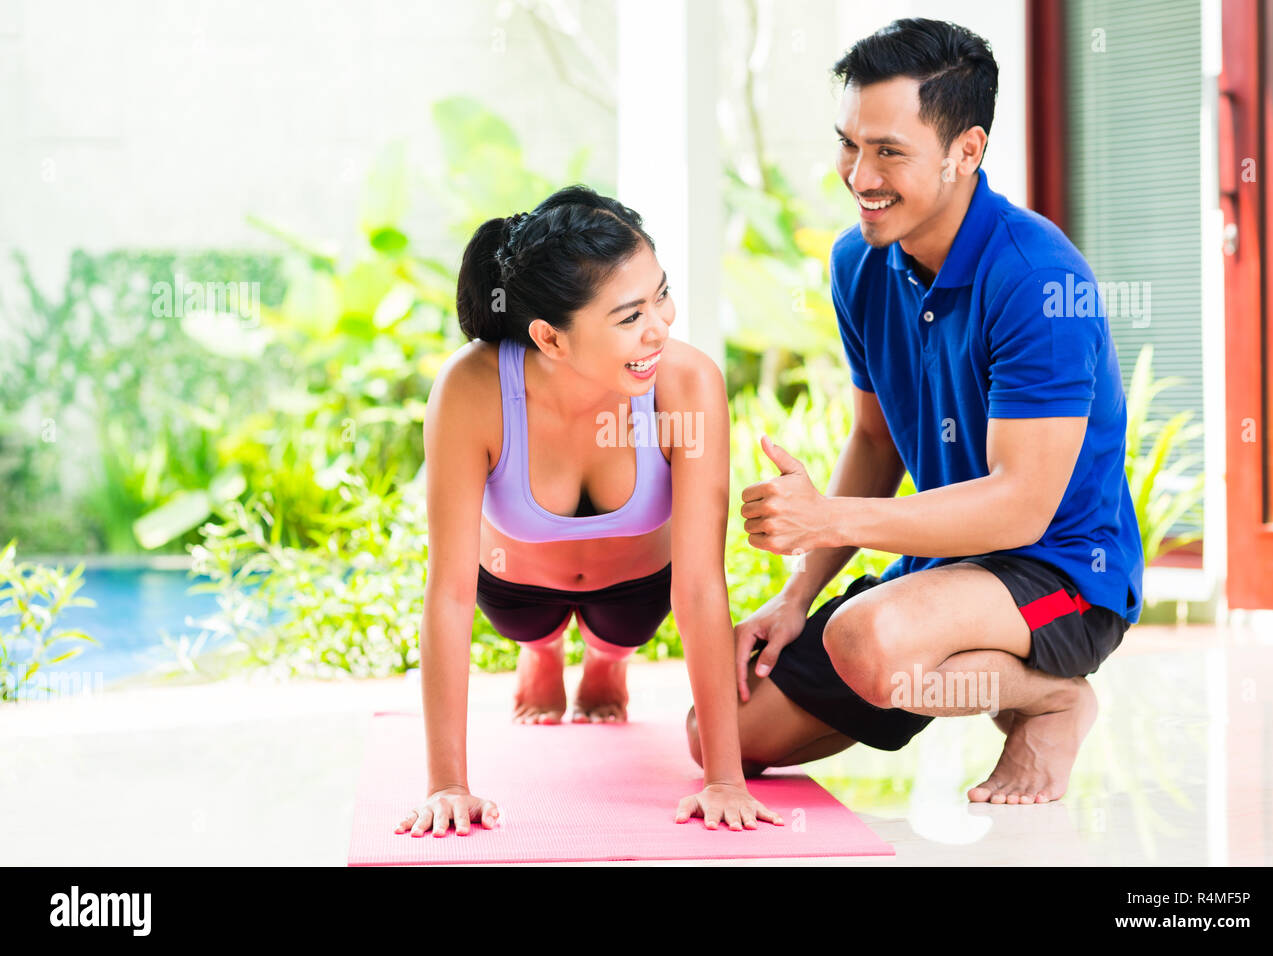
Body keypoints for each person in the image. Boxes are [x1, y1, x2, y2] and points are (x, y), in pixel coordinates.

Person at [688, 18, 1143, 805]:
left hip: (1061, 569)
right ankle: (929, 653)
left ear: (966, 152)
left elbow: (1019, 506)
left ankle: (1050, 697)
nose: (860, 175)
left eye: (889, 152)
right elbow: (875, 436)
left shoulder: (1037, 278)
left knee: (872, 643)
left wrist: (828, 519)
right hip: (944, 566)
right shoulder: (857, 262)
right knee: (721, 734)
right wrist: (795, 595)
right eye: (849, 145)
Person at [395, 185, 781, 837]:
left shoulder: (685, 383)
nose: (661, 325)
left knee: (616, 638)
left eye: (661, 294)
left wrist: (724, 779)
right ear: (551, 337)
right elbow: (452, 593)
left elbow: (697, 584)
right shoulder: (472, 387)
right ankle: (542, 652)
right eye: (630, 316)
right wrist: (447, 786)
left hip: (636, 592)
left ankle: (604, 661)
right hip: (515, 591)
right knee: (532, 633)